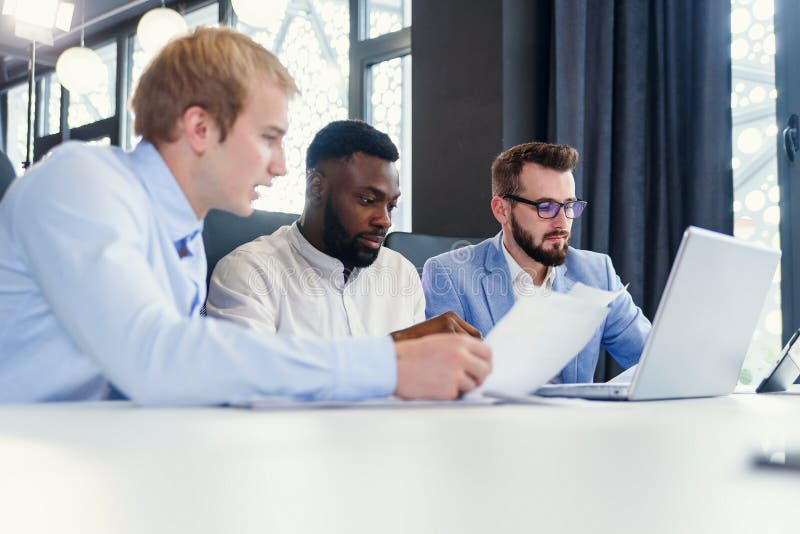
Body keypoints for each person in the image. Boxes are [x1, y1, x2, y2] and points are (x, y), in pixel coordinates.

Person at [0, 27, 491, 404]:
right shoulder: (79, 181)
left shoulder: (182, 235)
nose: (279, 166)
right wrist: (388, 365)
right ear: (199, 127)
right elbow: (154, 356)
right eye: (267, 138)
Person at [206, 119, 479, 342]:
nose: (384, 220)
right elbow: (248, 383)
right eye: (367, 200)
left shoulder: (401, 273)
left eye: (391, 206)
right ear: (316, 188)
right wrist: (392, 350)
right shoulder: (248, 272)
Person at [422, 141, 649, 383]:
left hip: (576, 419)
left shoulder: (596, 272)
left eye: (569, 206)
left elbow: (651, 359)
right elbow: (445, 383)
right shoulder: (449, 276)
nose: (562, 223)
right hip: (493, 419)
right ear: (502, 210)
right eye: (546, 207)